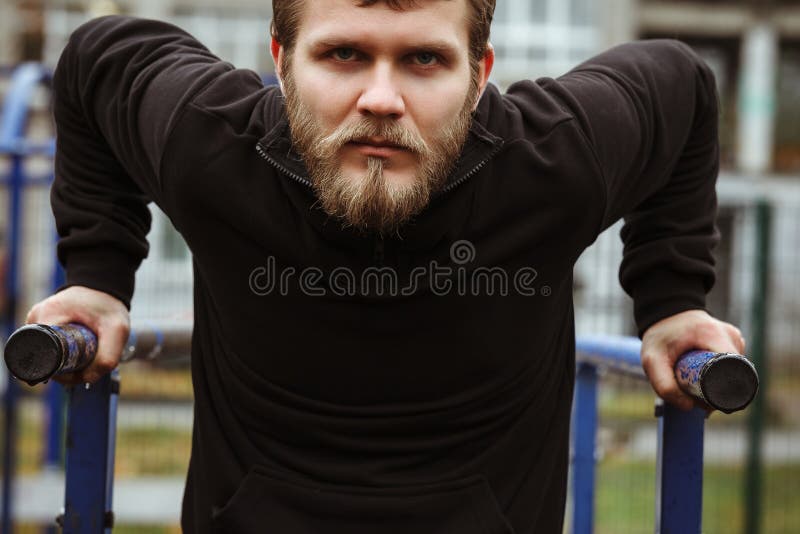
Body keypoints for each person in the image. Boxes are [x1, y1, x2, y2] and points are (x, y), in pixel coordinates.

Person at [26, 0, 746, 532]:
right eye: (343, 55)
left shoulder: (554, 162)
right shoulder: (209, 146)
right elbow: (91, 60)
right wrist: (97, 275)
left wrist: (672, 301)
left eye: (423, 59)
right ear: (279, 61)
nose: (380, 99)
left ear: (479, 75)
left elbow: (683, 86)